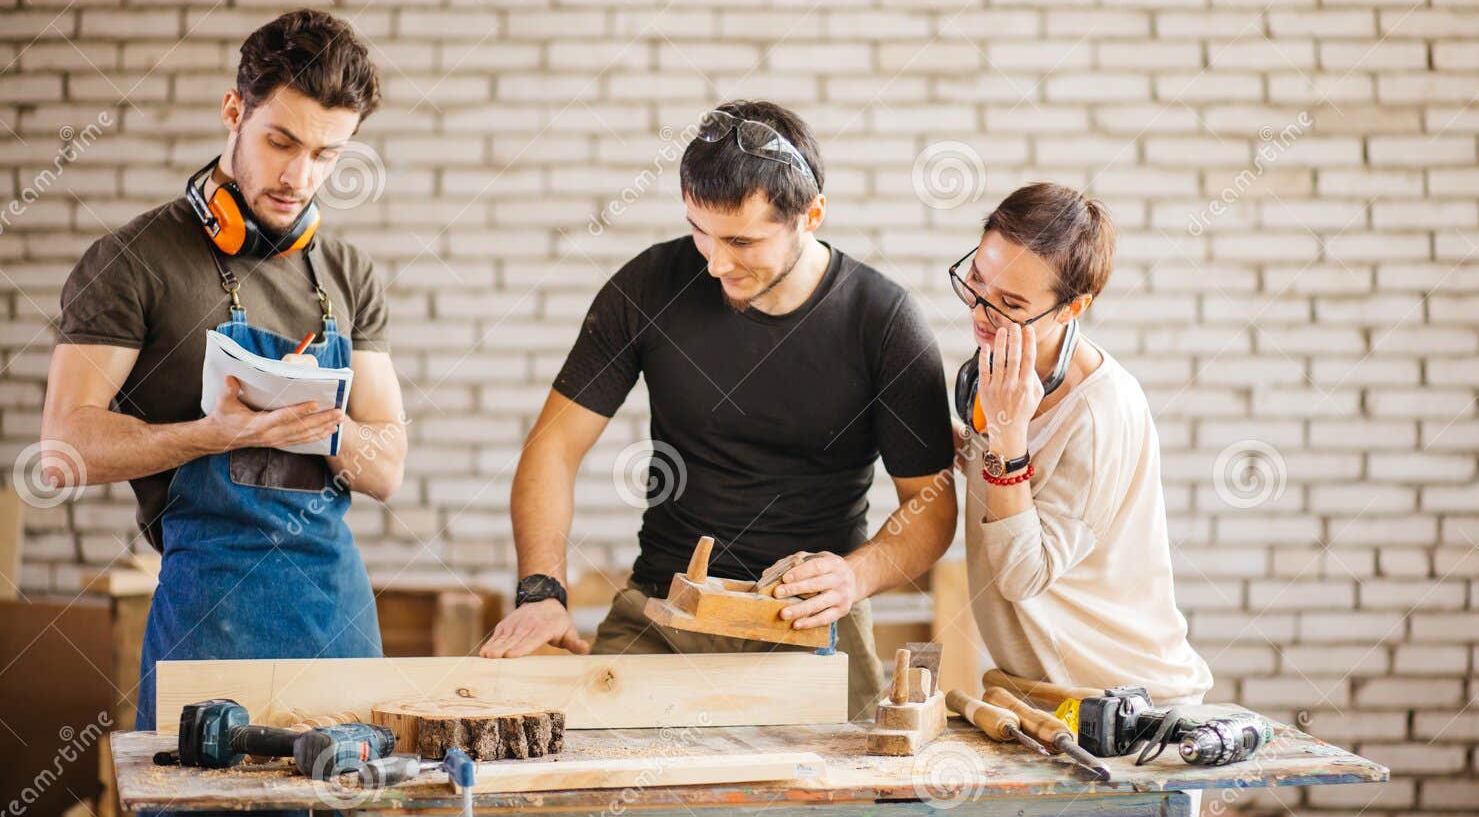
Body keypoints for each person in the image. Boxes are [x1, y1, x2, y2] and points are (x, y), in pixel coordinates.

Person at [41, 9, 407, 817]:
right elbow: (63, 446)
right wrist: (217, 434)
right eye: (282, 141)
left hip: (335, 613)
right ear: (234, 110)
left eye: (327, 155)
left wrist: (315, 422)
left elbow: (386, 467)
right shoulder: (135, 260)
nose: (299, 175)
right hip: (210, 613)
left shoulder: (346, 274)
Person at [482, 101, 957, 719]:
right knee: (612, 788)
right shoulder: (649, 284)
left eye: (741, 241)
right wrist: (542, 590)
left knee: (840, 804)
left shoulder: (884, 321)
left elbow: (933, 507)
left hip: (812, 624)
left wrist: (852, 578)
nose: (714, 262)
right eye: (698, 231)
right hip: (665, 614)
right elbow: (554, 445)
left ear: (811, 215)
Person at [950, 181, 1213, 708]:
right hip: (1040, 695)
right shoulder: (1006, 364)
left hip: (1129, 707)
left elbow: (1024, 574)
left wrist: (1006, 433)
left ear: (1072, 309)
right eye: (976, 280)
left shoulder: (1099, 414)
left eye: (1011, 302)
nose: (981, 311)